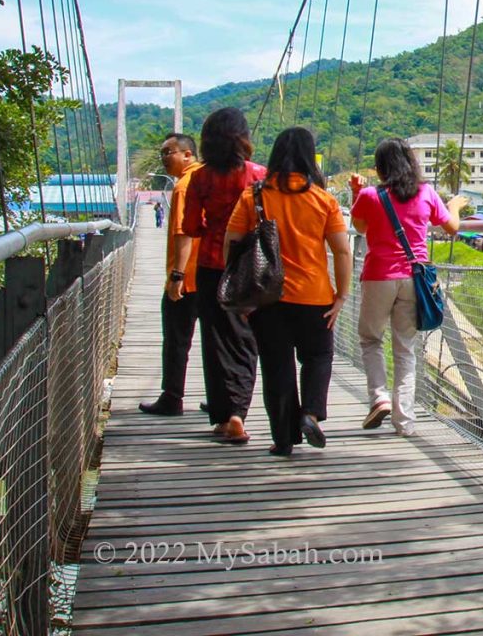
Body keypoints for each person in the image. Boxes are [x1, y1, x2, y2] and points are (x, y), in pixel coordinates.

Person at [226, 127, 350, 456]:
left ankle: (283, 440)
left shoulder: (255, 196)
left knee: (276, 365)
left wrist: (242, 294)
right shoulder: (324, 200)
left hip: (268, 297)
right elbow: (341, 250)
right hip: (315, 295)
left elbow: (234, 242)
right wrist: (342, 295)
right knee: (318, 356)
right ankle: (310, 412)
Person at [349, 138, 468, 436]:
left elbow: (361, 228)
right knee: (405, 349)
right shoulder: (426, 192)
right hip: (414, 279)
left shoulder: (368, 195)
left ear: (380, 168)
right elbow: (451, 228)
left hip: (378, 277)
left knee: (370, 340)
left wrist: (355, 194)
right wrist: (453, 206)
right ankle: (405, 423)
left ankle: (379, 398)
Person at [176, 107, 265, 444]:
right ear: (243, 137)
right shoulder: (260, 175)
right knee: (245, 339)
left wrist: (214, 226)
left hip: (212, 266)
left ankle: (223, 416)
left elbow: (189, 227)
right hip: (250, 268)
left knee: (215, 342)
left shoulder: (199, 177)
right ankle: (238, 414)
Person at [140, 133, 200, 416]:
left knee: (176, 339)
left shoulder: (184, 186)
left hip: (188, 278)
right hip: (215, 273)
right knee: (219, 341)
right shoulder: (211, 179)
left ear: (188, 154)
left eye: (169, 152)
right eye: (162, 152)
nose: (164, 158)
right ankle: (222, 401)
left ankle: (172, 397)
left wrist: (177, 276)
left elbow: (182, 232)